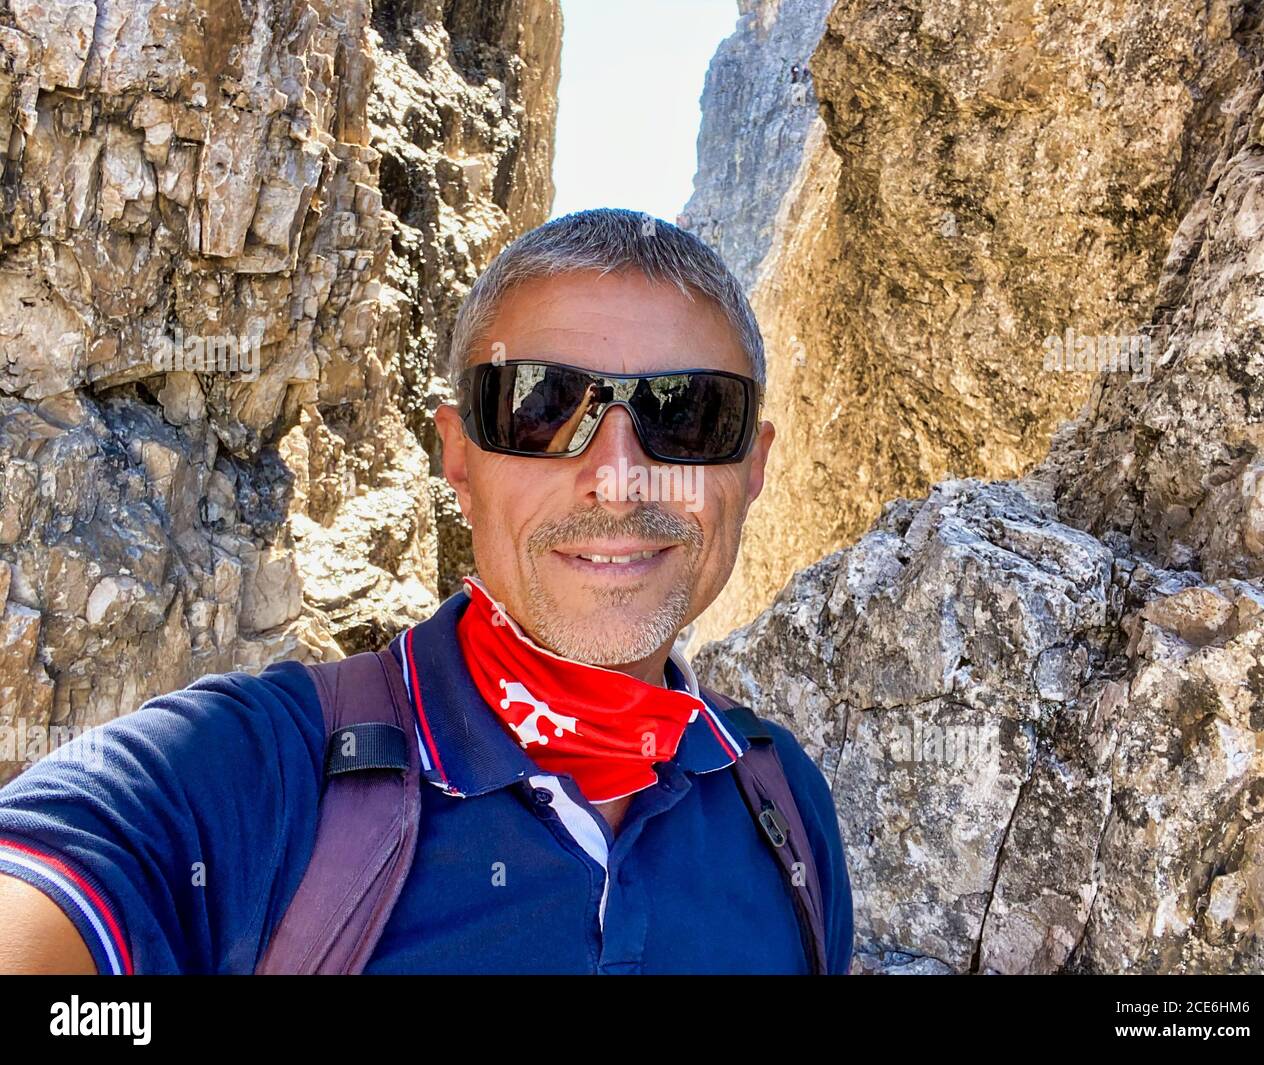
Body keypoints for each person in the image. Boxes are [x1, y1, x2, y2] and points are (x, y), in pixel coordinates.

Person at [0, 207, 854, 975]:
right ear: (458, 457)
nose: (619, 481)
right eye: (542, 407)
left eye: (688, 413)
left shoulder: (784, 811)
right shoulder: (255, 777)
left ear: (752, 465)